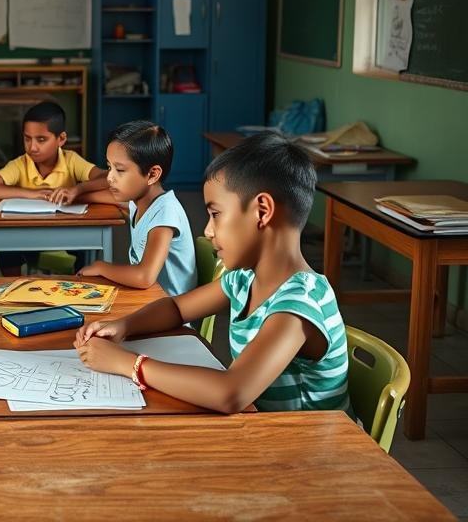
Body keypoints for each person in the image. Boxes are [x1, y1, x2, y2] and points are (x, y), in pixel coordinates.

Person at [75, 133, 353, 417]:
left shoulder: (300, 301)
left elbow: (231, 393)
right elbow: (176, 308)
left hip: (304, 442)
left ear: (262, 211)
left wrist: (128, 364)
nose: (208, 231)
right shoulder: (244, 279)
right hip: (257, 427)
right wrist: (123, 326)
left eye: (216, 214)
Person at [0, 100, 111, 274]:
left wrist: (77, 189)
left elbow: (108, 177)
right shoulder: (20, 164)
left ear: (61, 139)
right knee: (7, 248)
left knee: (84, 248)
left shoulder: (71, 160)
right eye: (27, 138)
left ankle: (79, 284)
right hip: (27, 236)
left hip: (65, 235)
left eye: (41, 139)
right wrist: (32, 193)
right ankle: (12, 288)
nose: (32, 147)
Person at [77, 120, 196, 295]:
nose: (109, 177)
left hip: (170, 306)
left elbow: (144, 276)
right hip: (150, 298)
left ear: (152, 174)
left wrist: (101, 267)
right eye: (109, 167)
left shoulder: (165, 213)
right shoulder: (138, 202)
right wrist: (75, 196)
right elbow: (111, 198)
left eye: (120, 170)